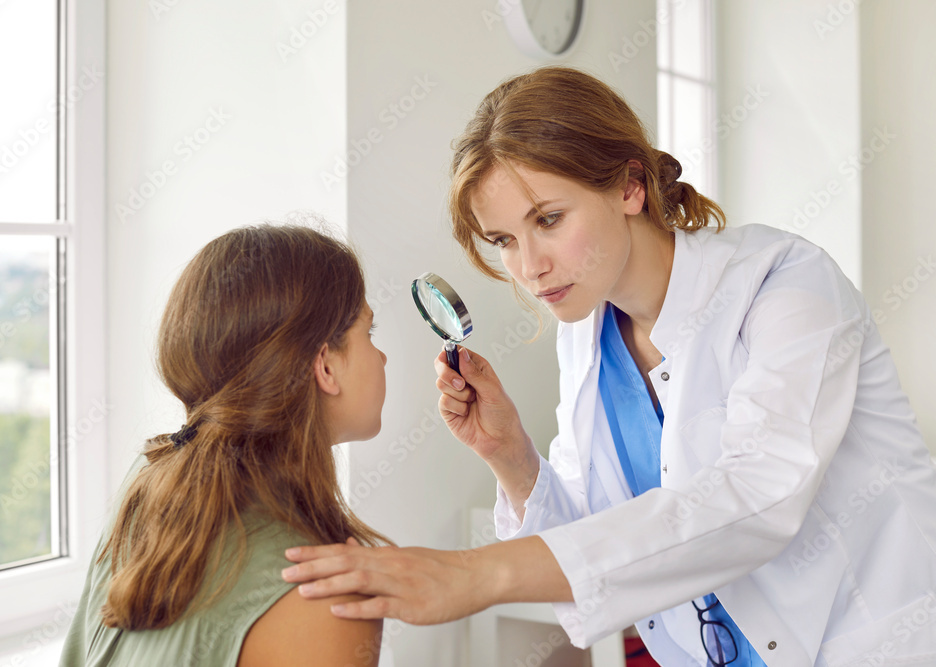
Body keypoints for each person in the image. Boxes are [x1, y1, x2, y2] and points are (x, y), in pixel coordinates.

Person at [282, 66, 936, 666]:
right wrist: (511, 454)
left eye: (549, 219)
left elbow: (755, 500)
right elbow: (597, 550)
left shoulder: (785, 285)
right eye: (505, 240)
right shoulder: (590, 332)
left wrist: (477, 573)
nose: (529, 267)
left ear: (629, 185)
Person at [60, 223, 390, 667]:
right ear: (326, 366)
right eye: (370, 333)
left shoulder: (151, 475)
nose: (382, 356)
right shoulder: (328, 590)